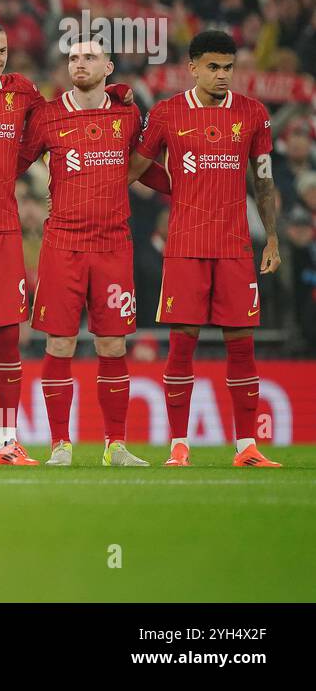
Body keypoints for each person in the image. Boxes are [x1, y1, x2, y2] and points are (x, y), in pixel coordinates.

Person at [128, 29, 283, 468]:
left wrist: (271, 237)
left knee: (241, 347)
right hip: (186, 247)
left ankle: (247, 447)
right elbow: (136, 168)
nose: (222, 76)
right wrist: (173, 185)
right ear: (192, 67)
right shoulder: (167, 113)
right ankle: (179, 446)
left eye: (229, 68)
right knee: (182, 347)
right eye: (213, 67)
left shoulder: (253, 114)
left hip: (235, 247)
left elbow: (264, 179)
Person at [17, 40, 172, 466]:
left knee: (112, 345)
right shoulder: (48, 115)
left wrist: (188, 187)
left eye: (88, 57)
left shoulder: (127, 114)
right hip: (62, 244)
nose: (78, 64)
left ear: (108, 66)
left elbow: (142, 169)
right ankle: (60, 445)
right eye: (72, 58)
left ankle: (115, 445)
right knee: (60, 344)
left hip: (112, 245)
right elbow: (12, 165)